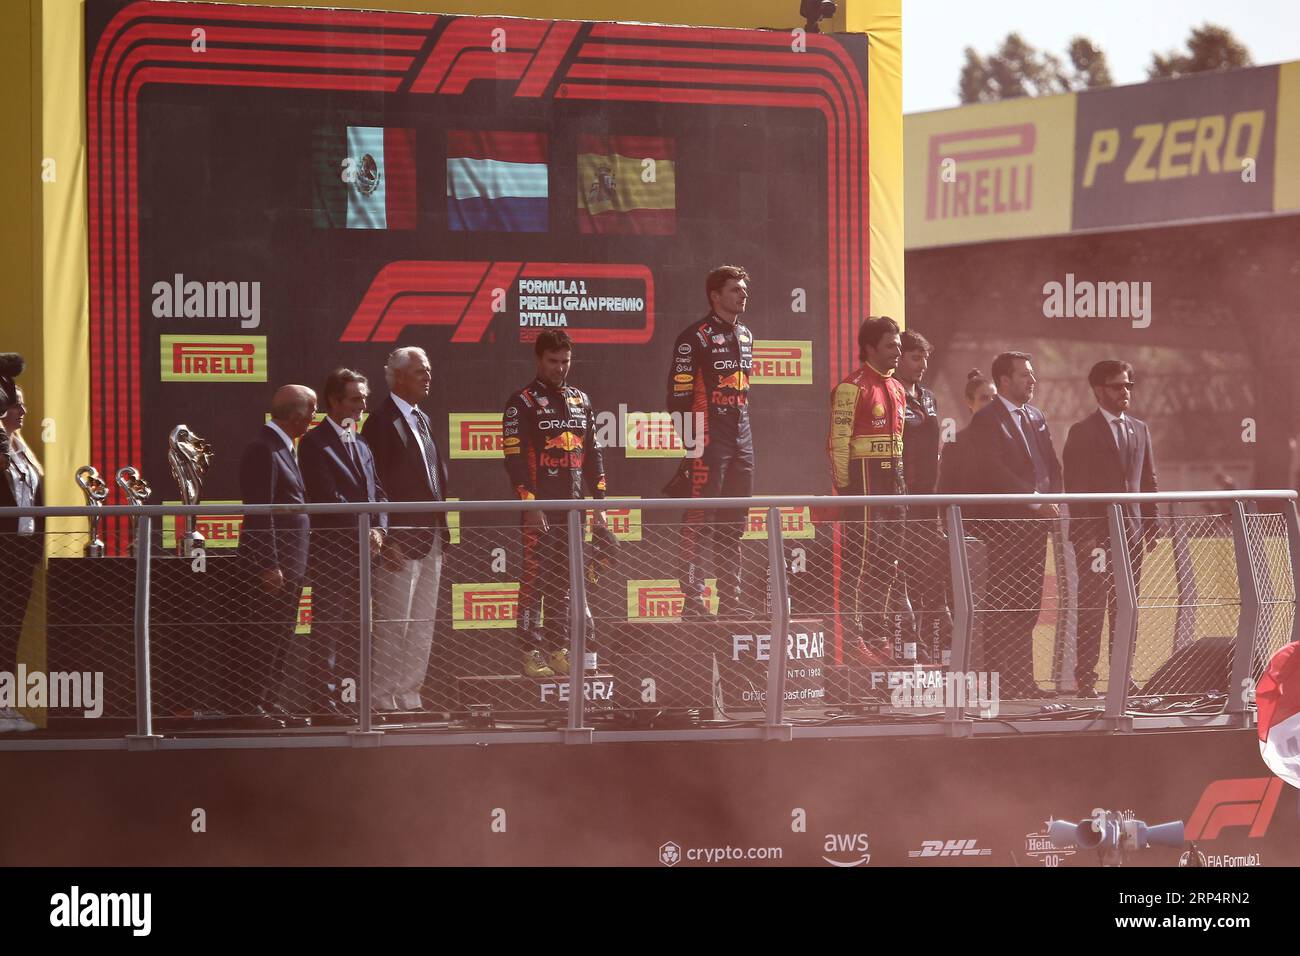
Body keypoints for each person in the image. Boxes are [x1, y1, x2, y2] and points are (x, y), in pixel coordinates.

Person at [503, 330, 608, 678]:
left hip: (575, 508)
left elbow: (592, 453)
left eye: (565, 361)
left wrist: (600, 502)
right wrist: (529, 503)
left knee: (564, 581)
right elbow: (515, 459)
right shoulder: (522, 402)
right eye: (552, 361)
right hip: (540, 509)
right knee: (535, 577)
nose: (559, 368)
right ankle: (530, 650)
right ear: (538, 359)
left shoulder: (582, 400)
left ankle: (557, 646)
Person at [964, 351, 1063, 699]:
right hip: (1005, 527)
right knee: (1002, 605)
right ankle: (998, 682)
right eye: (1024, 375)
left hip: (1037, 528)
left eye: (1032, 375)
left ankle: (1023, 682)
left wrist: (1056, 501)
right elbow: (992, 469)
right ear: (1005, 380)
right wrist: (1034, 500)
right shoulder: (987, 420)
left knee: (1028, 605)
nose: (1032, 381)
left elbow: (1050, 464)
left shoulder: (1036, 416)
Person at [291, 368, 387, 724]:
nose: (363, 405)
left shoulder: (362, 442)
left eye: (364, 398)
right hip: (333, 553)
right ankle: (323, 702)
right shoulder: (315, 444)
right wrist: (364, 528)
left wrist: (379, 530)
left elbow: (380, 492)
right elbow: (326, 497)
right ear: (334, 401)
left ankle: (354, 699)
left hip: (367, 555)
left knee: (359, 630)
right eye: (355, 399)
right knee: (328, 629)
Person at [1062, 360, 1159, 698]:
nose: (1125, 392)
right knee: (1092, 607)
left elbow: (1148, 480)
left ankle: (1122, 676)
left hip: (1130, 534)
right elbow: (1074, 489)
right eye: (1118, 386)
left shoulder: (1139, 429)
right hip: (1096, 538)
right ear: (1099, 390)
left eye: (1129, 385)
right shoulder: (1082, 431)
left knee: (1126, 608)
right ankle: (1085, 680)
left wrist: (1151, 524)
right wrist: (1086, 536)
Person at [666, 265, 756, 619]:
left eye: (744, 289)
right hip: (708, 436)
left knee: (735, 520)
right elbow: (677, 397)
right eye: (735, 289)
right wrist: (693, 445)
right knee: (700, 517)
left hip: (742, 433)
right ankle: (692, 601)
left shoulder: (747, 335)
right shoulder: (695, 337)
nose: (743, 294)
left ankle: (729, 601)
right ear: (715, 295)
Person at [363, 347, 449, 715]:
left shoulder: (423, 418)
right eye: (419, 372)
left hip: (431, 537)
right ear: (398, 377)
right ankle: (382, 697)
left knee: (422, 624)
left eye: (428, 371)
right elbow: (375, 483)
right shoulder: (379, 422)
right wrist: (387, 539)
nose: (427, 377)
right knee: (393, 623)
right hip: (398, 542)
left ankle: (410, 695)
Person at [236, 384, 317, 728]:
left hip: (290, 564)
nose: (314, 418)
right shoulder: (263, 449)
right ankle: (253, 705)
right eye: (312, 412)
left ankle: (269, 701)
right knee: (265, 636)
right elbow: (259, 512)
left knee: (280, 637)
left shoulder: (283, 448)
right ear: (298, 417)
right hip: (273, 568)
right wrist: (269, 564)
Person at [827, 316, 907, 664]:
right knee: (859, 564)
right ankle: (852, 638)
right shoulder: (851, 387)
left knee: (887, 563)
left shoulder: (897, 388)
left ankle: (879, 635)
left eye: (900, 345)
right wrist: (846, 489)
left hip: (894, 484)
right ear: (870, 348)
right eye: (891, 345)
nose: (898, 352)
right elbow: (837, 443)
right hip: (863, 483)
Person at [895, 329, 951, 664]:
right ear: (899, 358)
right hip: (902, 498)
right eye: (916, 357)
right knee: (904, 575)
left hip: (930, 500)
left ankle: (935, 652)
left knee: (933, 575)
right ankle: (905, 651)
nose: (923, 364)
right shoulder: (891, 393)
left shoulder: (928, 397)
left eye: (925, 357)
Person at [0, 354, 40, 733]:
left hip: (20, 557)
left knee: (10, 631)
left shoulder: (25, 451)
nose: (23, 409)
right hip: (1, 553)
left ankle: (6, 706)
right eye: (15, 404)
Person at [936, 370, 996, 495]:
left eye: (995, 398)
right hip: (968, 512)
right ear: (969, 401)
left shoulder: (1009, 439)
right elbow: (945, 490)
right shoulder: (955, 444)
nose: (991, 403)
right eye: (984, 398)